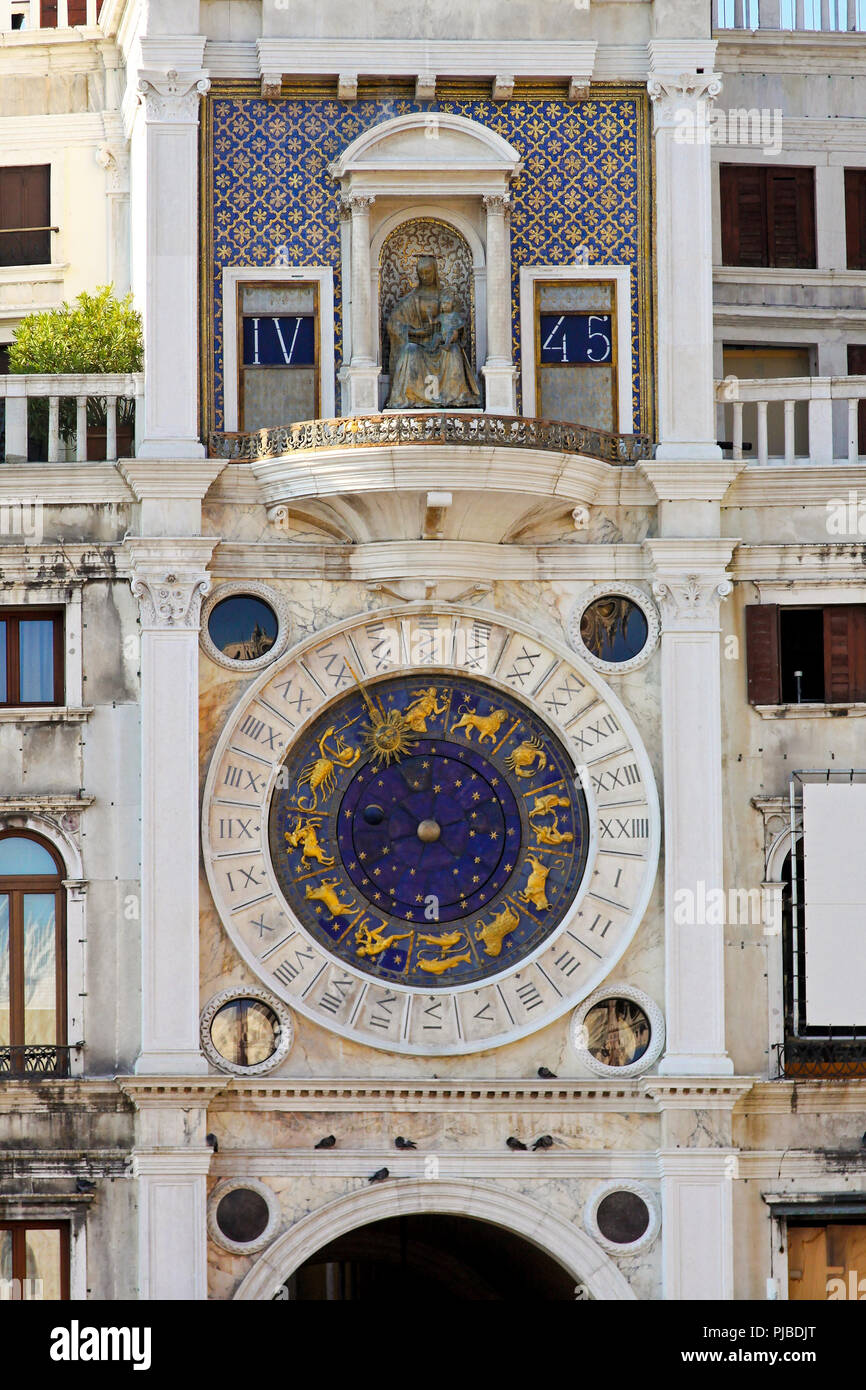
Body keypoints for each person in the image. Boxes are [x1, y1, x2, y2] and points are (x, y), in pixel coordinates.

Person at [385, 255, 481, 409]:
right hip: (419, 345)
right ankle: (413, 397)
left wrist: (452, 335)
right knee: (410, 351)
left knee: (454, 351)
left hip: (442, 344)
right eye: (421, 273)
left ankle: (454, 396)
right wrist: (416, 333)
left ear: (435, 272)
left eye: (428, 272)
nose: (424, 276)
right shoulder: (410, 300)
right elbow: (393, 324)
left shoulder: (446, 297)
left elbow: (457, 322)